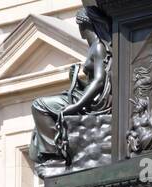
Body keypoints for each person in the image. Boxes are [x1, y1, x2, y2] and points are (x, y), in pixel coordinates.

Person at [30, 8, 112, 173]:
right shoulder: (93, 47)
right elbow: (94, 82)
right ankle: (53, 153)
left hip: (90, 101)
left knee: (39, 105)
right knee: (42, 112)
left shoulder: (98, 47)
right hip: (83, 95)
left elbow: (99, 81)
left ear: (83, 26)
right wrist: (77, 81)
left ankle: (55, 156)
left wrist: (77, 106)